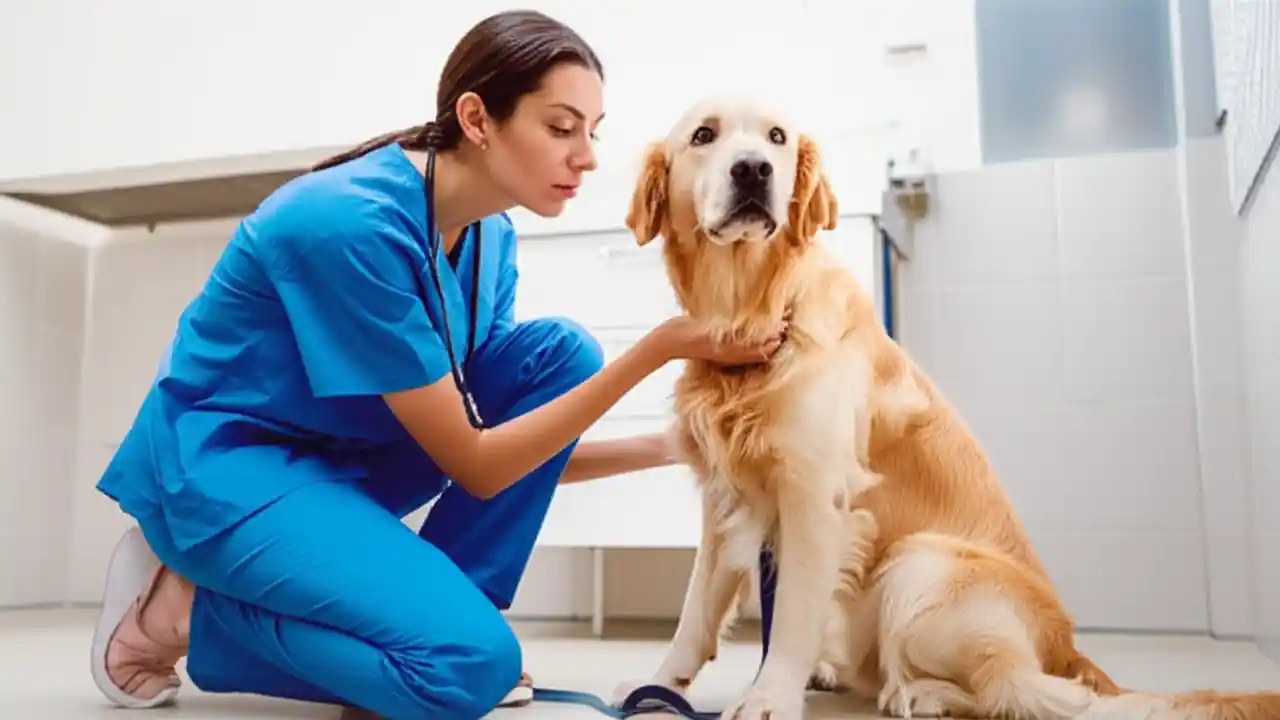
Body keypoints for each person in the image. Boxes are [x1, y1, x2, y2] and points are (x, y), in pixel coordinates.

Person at [88, 9, 785, 720]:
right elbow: (478, 462)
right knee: (464, 671)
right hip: (228, 473)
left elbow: (504, 444)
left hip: (339, 467)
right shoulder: (350, 224)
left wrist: (670, 446)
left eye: (592, 131)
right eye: (560, 128)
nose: (587, 157)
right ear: (478, 118)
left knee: (562, 357)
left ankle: (431, 628)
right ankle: (176, 610)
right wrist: (659, 348)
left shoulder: (491, 236)